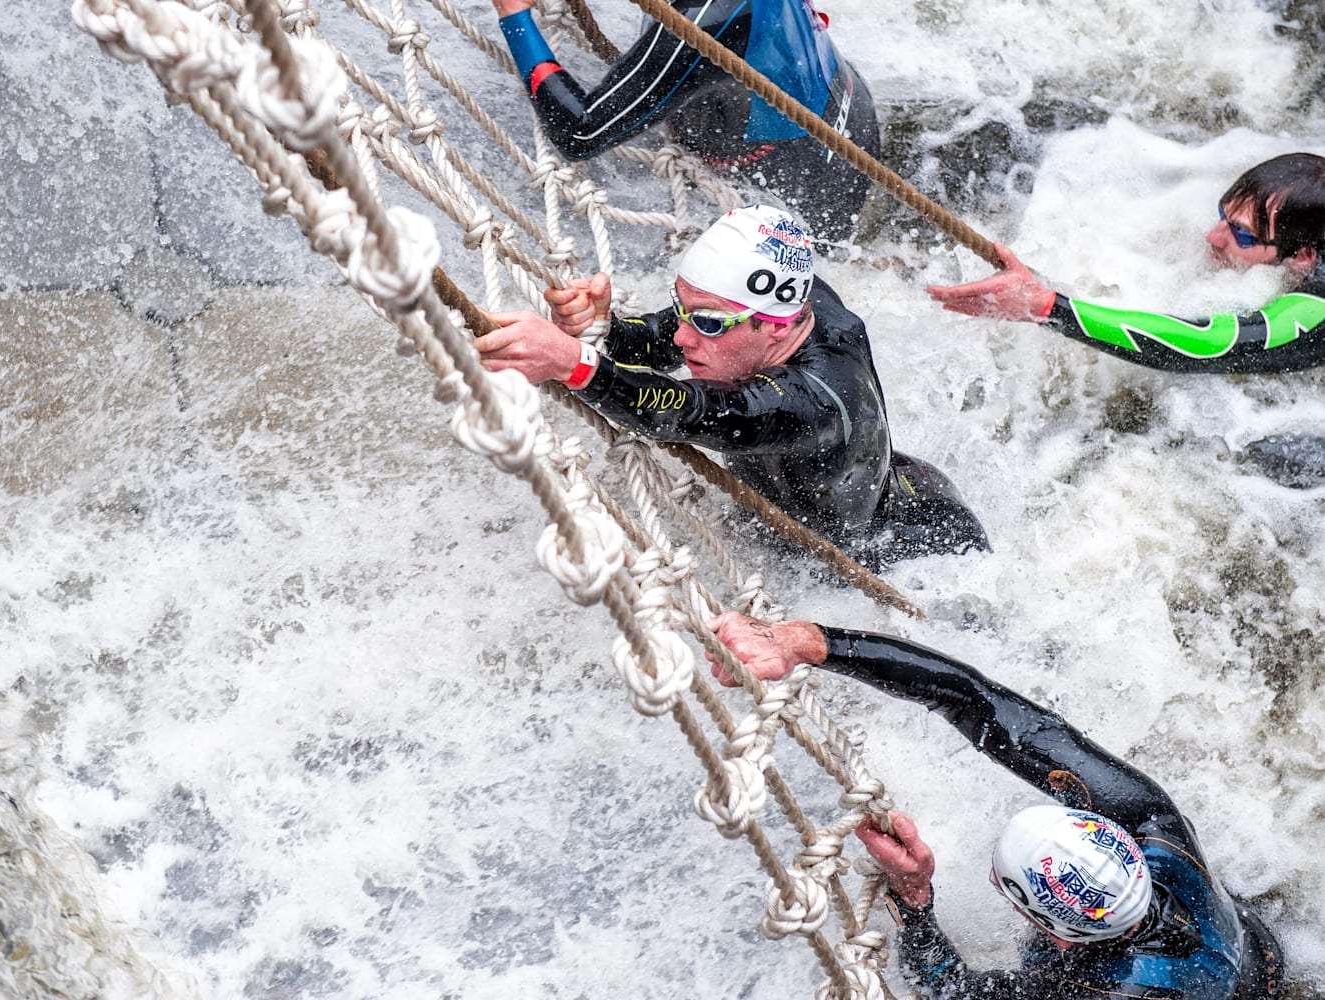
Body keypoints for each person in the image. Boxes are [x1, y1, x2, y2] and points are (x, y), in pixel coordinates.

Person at [705, 610, 1286, 999]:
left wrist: (915, 902)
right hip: (1259, 958)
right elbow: (977, 700)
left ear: (1050, 929)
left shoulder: (1081, 992)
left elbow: (950, 990)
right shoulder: (1153, 823)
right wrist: (811, 643)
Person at [474, 203, 988, 568]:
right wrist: (606, 329)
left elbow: (688, 412)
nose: (682, 335)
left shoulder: (812, 404)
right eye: (683, 310)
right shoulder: (768, 313)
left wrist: (572, 362)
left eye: (709, 324)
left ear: (779, 327)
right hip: (847, 491)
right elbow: (669, 338)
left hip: (910, 548)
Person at [491, 0, 880, 241]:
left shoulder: (704, 22)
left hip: (804, 189)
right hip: (839, 101)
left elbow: (580, 134)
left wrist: (514, 15)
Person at [925, 153, 1325, 374]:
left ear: (1303, 256)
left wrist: (1045, 307)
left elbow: (1206, 344)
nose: (1212, 237)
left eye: (1241, 234)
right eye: (1222, 213)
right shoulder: (1277, 246)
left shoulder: (1313, 307)